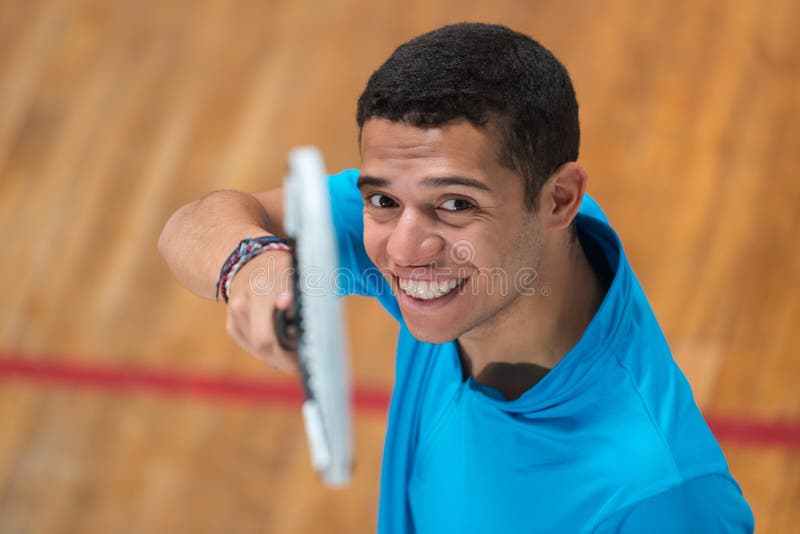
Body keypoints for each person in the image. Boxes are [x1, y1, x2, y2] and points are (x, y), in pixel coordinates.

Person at [159, 23, 754, 533]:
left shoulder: (661, 499)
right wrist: (256, 267)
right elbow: (191, 227)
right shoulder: (502, 243)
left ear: (559, 199)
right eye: (382, 200)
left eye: (456, 206)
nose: (403, 250)